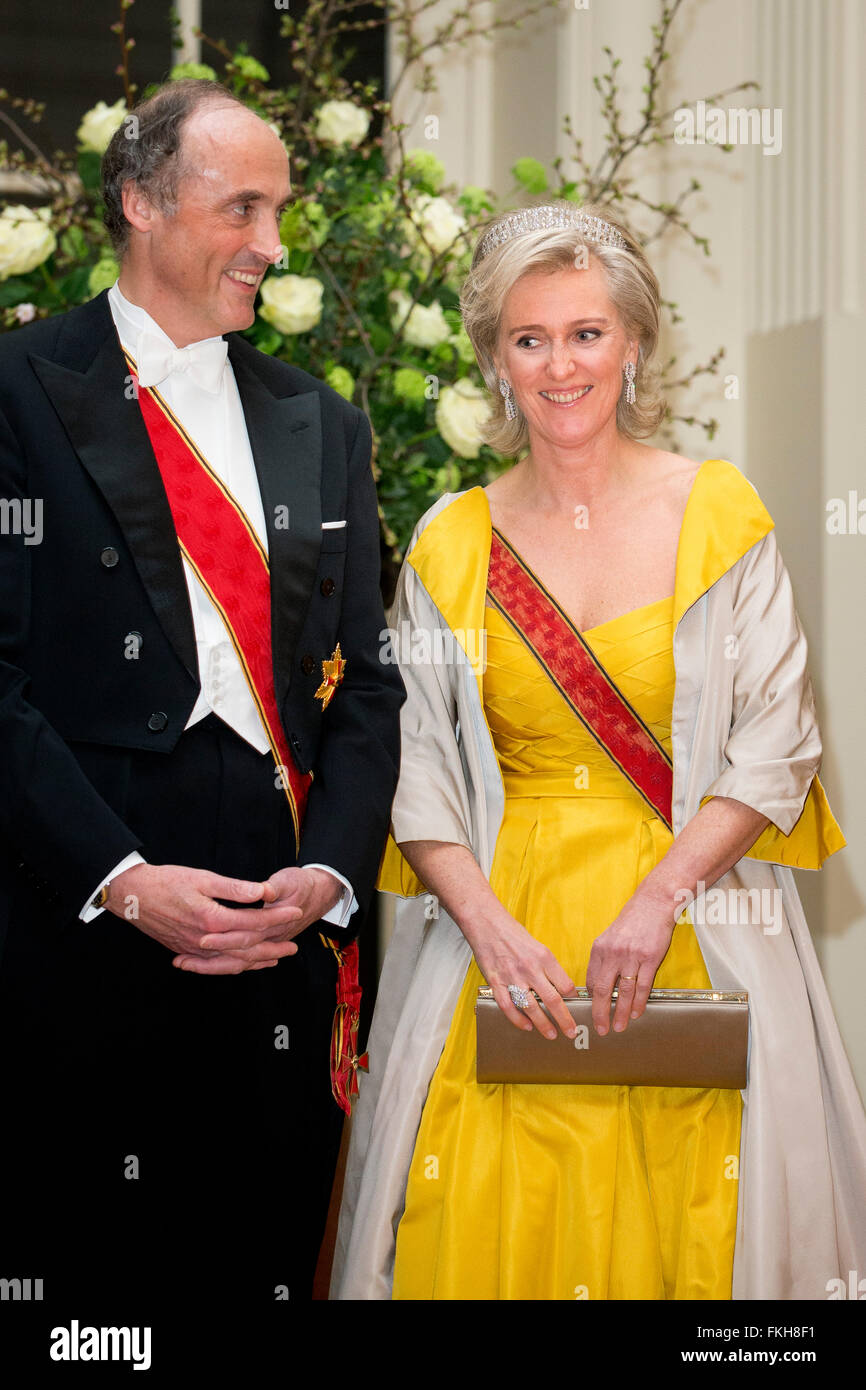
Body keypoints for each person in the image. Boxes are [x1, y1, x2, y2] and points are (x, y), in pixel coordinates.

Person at [331, 201, 866, 1301]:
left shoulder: (717, 512)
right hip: (498, 927)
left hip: (689, 913)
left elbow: (778, 739)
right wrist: (486, 930)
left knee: (697, 1228)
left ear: (631, 343)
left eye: (585, 333)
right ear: (492, 359)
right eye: (528, 339)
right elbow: (416, 765)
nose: (559, 365)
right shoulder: (449, 539)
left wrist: (657, 895)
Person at [0, 78, 403, 1310]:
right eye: (245, 208)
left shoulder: (320, 422)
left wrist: (327, 877)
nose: (273, 245)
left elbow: (365, 687)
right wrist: (121, 880)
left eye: (280, 209)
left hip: (281, 912)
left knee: (266, 1250)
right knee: (94, 1293)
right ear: (139, 202)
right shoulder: (17, 389)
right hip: (83, 910)